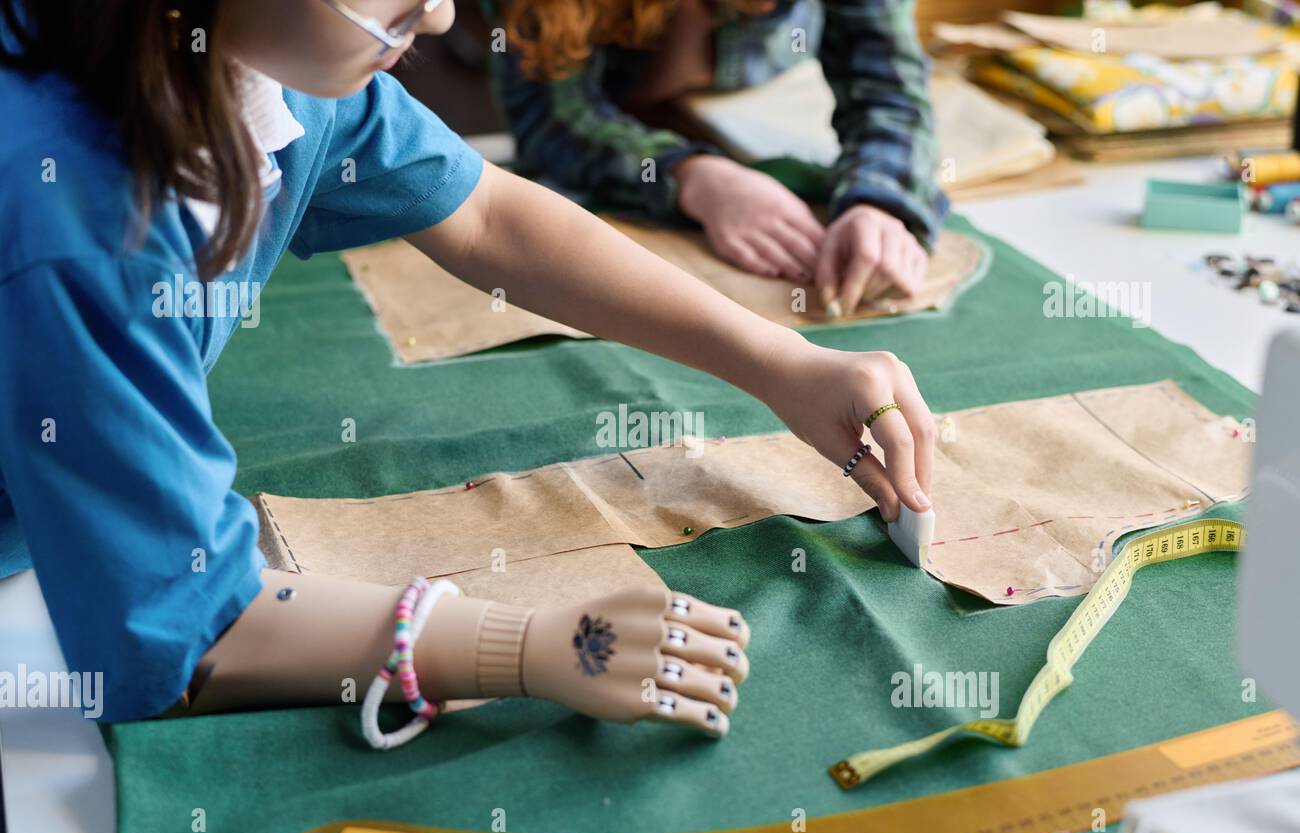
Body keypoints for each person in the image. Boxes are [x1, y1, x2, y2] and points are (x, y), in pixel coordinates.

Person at [0, 0, 933, 736]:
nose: (441, 16)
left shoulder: (271, 63)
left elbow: (484, 215)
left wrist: (783, 363)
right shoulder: (79, 221)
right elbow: (192, 634)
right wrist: (528, 647)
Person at [484, 0, 948, 317]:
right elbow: (549, 117)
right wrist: (691, 177)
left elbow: (887, 85)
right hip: (620, 143)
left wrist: (882, 200)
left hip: (730, 128)